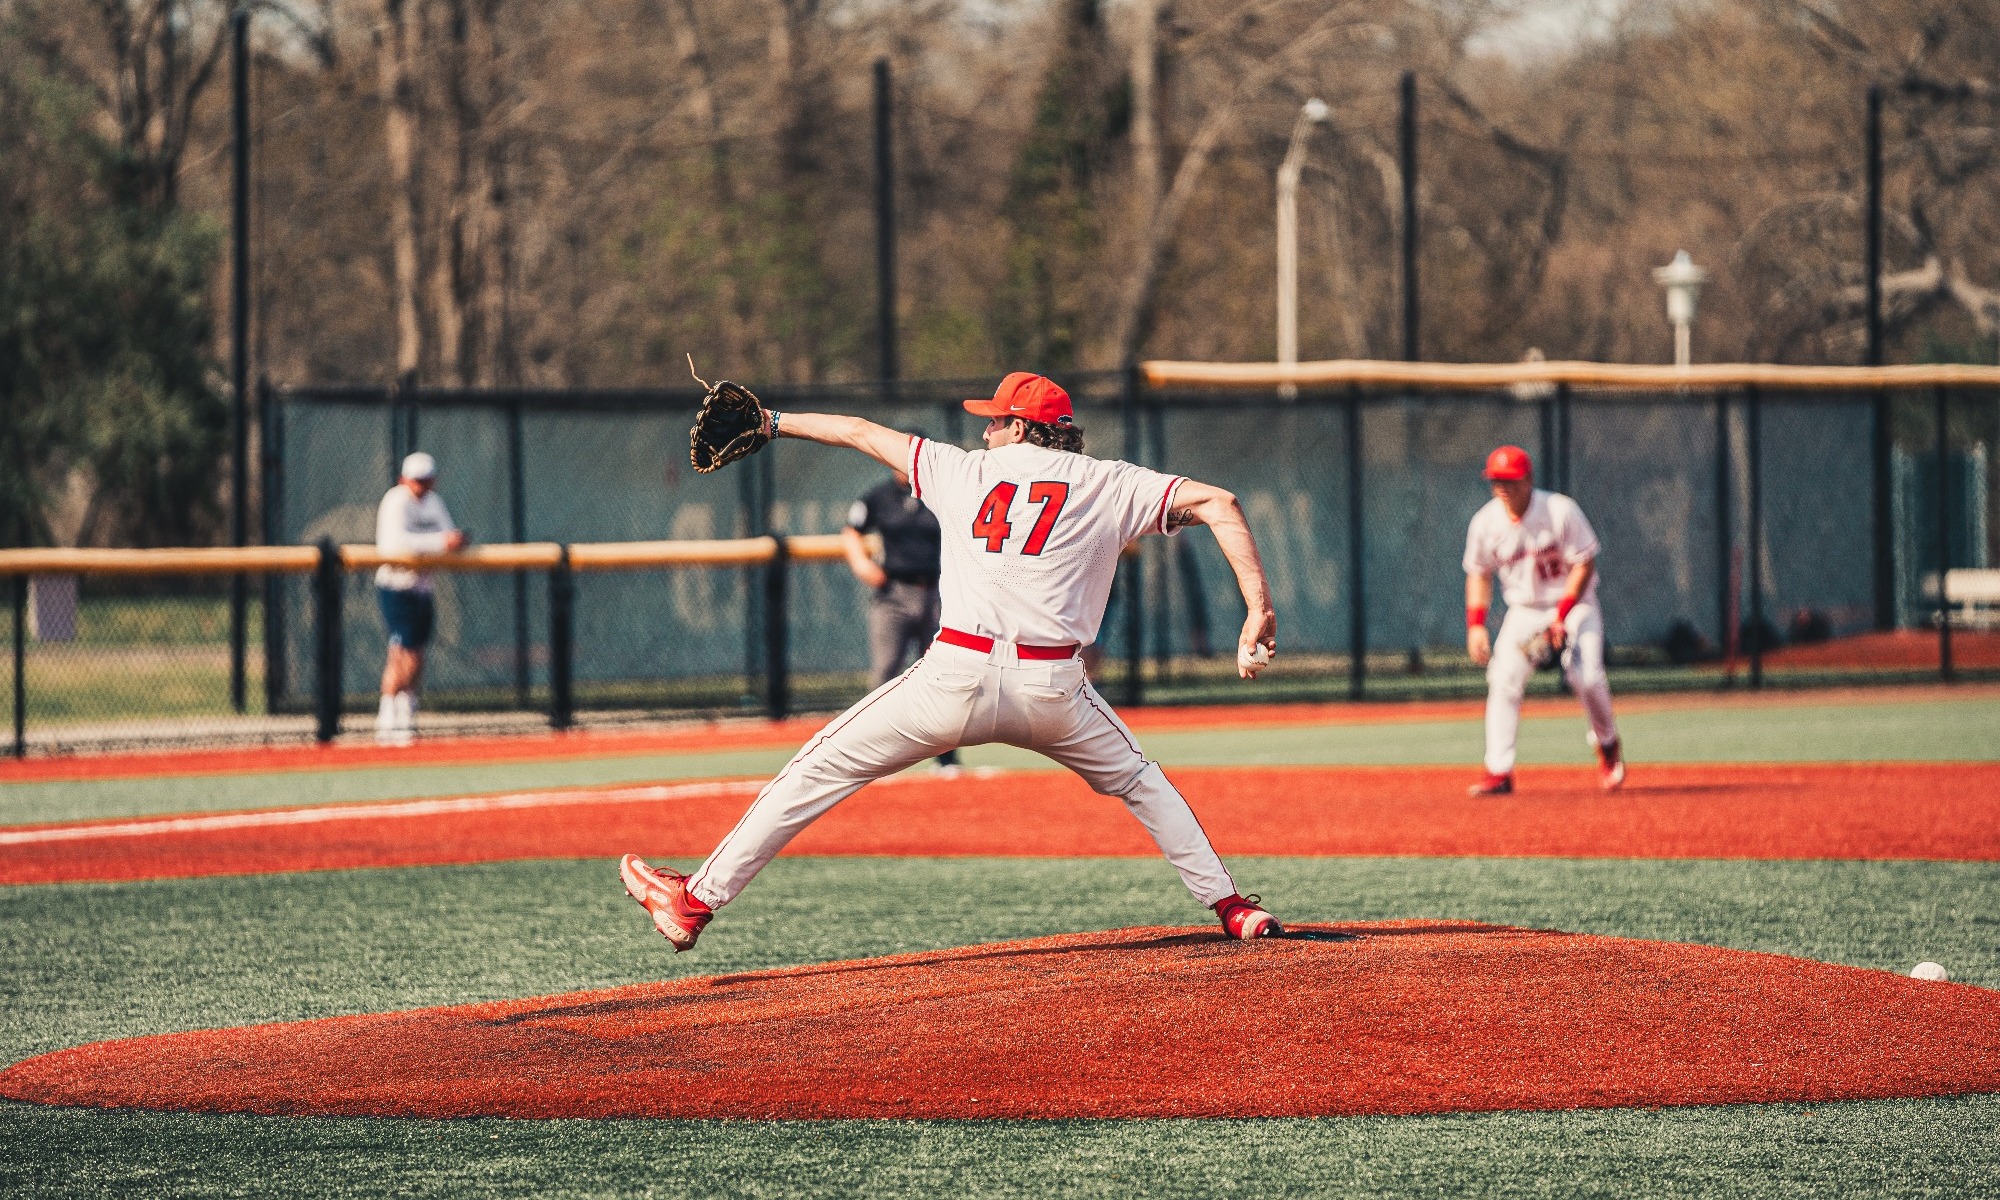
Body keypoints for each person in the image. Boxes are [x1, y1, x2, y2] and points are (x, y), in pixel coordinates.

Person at [623, 372, 1283, 951]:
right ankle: (1233, 908)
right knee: (1142, 782)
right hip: (1054, 689)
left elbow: (857, 430)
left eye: (994, 420)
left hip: (954, 678)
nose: (987, 430)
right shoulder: (1108, 482)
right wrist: (1256, 607)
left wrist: (772, 422)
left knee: (817, 767)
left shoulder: (958, 468)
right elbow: (1220, 503)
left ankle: (695, 901)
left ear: (1020, 427)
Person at [1463, 445, 1624, 795]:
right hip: (1525, 611)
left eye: (1509, 480)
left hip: (1575, 604)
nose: (1502, 488)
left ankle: (1607, 743)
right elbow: (1478, 573)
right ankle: (1499, 770)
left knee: (1587, 677)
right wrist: (1476, 624)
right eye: (1495, 481)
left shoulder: (1560, 510)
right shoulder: (1485, 523)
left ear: (1528, 479)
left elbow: (1584, 563)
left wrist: (1562, 617)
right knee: (1503, 679)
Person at [841, 459, 961, 774]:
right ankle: (866, 754)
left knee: (941, 675)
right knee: (885, 672)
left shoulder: (940, 495)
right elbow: (851, 530)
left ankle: (946, 758)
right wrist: (862, 565)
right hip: (894, 593)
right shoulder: (879, 497)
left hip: (936, 592)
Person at [374, 451, 466, 744]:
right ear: (404, 479)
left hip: (423, 587)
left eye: (426, 481)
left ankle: (403, 712)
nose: (422, 487)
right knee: (406, 652)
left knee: (413, 654)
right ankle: (390, 714)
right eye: (417, 481)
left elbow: (449, 534)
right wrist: (440, 543)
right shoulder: (395, 500)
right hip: (396, 586)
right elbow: (395, 544)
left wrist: (450, 541)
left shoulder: (433, 502)